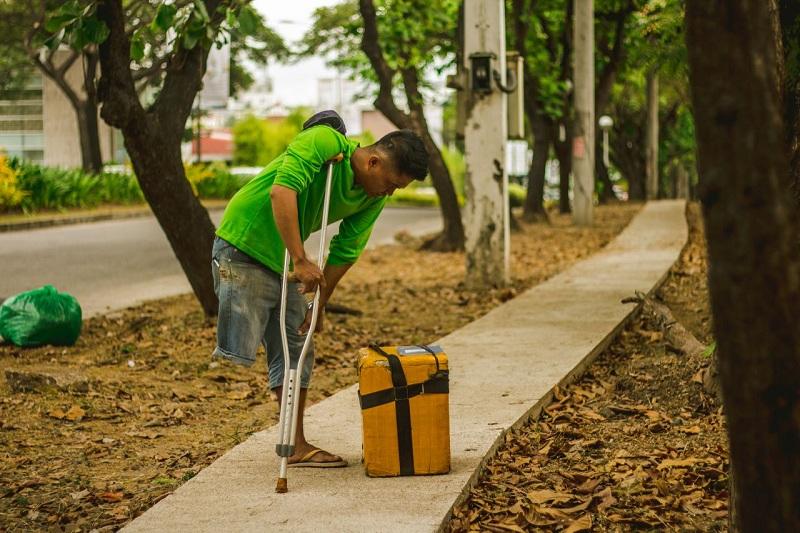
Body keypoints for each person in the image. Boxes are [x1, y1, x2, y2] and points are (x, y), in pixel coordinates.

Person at [211, 122, 429, 467]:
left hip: (283, 260)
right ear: (373, 162)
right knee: (237, 352)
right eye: (389, 183)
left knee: (298, 346)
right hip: (245, 243)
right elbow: (281, 192)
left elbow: (346, 250)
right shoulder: (325, 142)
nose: (388, 193)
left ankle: (294, 445)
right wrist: (300, 259)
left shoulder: (371, 198)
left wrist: (319, 303)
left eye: (396, 189)